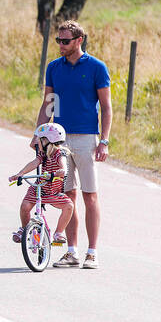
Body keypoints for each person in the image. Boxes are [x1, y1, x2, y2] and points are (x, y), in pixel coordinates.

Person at [36, 19, 112, 269]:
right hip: (59, 140)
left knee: (90, 196)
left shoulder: (96, 67)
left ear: (79, 41)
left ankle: (92, 252)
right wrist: (39, 135)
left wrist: (104, 141)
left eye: (65, 41)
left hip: (87, 139)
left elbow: (106, 107)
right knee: (67, 196)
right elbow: (49, 103)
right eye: (58, 40)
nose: (60, 45)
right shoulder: (54, 68)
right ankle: (71, 251)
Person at [9, 123, 75, 247]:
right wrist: (20, 173)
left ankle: (58, 233)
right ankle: (24, 229)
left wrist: (56, 173)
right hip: (39, 189)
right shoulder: (43, 154)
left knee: (69, 206)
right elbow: (34, 163)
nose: (37, 143)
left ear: (47, 140)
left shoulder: (60, 154)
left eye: (39, 140)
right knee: (25, 206)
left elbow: (63, 168)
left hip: (53, 191)